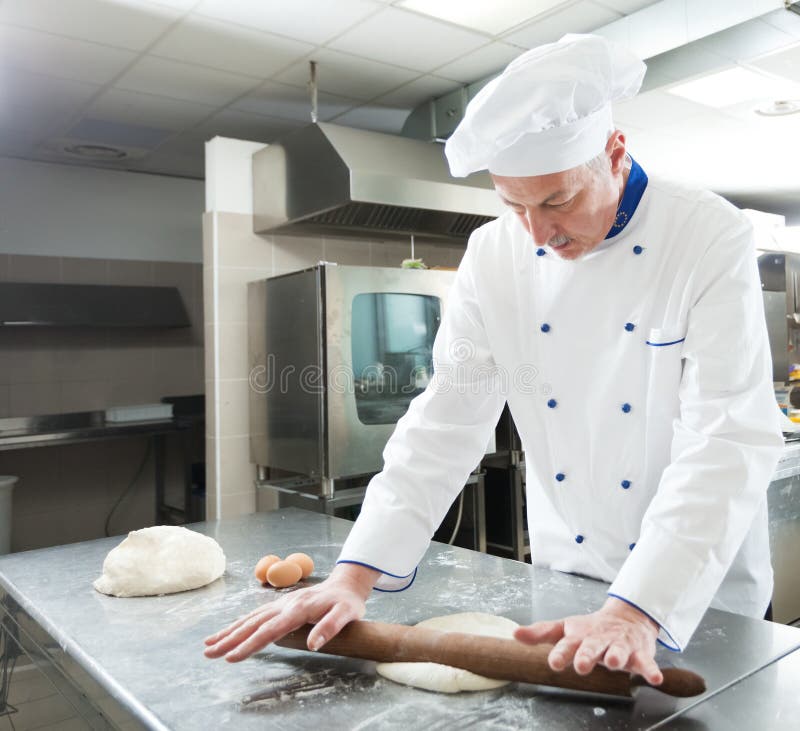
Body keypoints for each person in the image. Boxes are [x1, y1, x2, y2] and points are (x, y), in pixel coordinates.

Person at [205, 34, 783, 685]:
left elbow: (727, 435)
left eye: (557, 200)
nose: (538, 232)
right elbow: (444, 422)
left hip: (695, 590)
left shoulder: (706, 233)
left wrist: (636, 607)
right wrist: (352, 574)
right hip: (568, 576)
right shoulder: (493, 254)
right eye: (513, 203)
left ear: (615, 153)